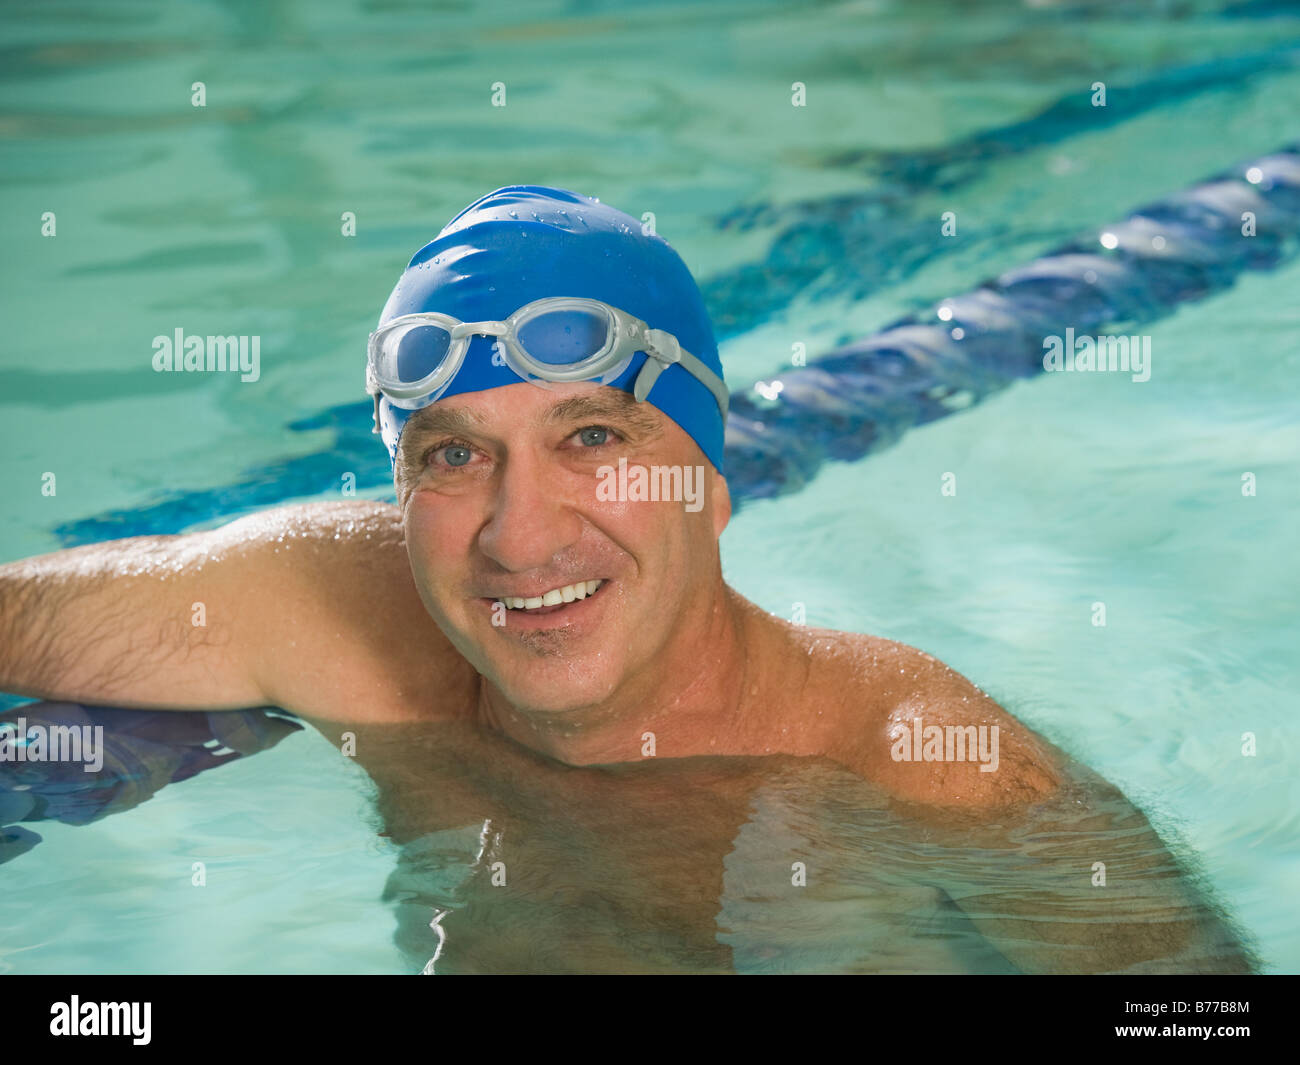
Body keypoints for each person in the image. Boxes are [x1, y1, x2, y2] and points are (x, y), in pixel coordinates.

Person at [0, 186, 1254, 973]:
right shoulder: (343, 609)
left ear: (709, 481)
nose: (518, 535)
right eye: (454, 457)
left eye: (593, 438)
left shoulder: (921, 764)